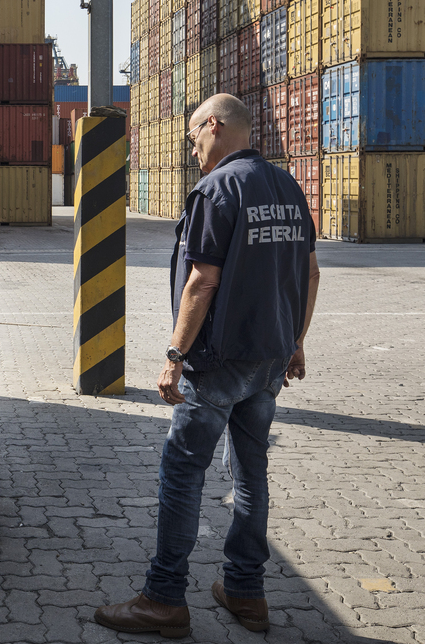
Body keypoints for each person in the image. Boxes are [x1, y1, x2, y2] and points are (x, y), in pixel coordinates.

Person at [94, 93, 321, 638]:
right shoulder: (288, 186)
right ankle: (246, 591)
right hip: (269, 358)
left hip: (218, 361)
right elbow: (310, 273)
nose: (191, 146)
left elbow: (202, 281)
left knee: (182, 471)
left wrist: (174, 356)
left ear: (214, 126)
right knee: (251, 472)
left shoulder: (216, 189)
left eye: (193, 133)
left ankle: (164, 598)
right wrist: (296, 341)